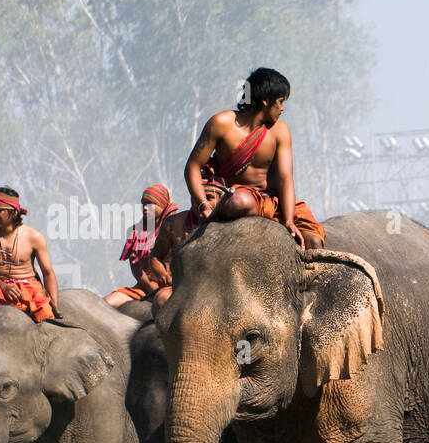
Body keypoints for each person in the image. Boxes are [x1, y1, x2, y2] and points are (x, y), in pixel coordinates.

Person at [183, 66, 324, 248]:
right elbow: (193, 167)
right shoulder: (221, 123)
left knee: (313, 240)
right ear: (265, 101)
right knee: (241, 201)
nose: (282, 108)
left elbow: (285, 179)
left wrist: (289, 220)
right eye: (280, 102)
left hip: (272, 202)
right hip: (235, 198)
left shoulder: (280, 131)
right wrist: (203, 204)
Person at [0, 187, 59, 322]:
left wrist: (55, 307)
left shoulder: (34, 237)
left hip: (29, 289)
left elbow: (48, 274)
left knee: (46, 318)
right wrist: (4, 286)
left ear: (13, 212)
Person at [148, 177, 227, 310]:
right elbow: (155, 256)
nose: (202, 203)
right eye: (197, 197)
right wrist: (163, 274)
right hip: (182, 287)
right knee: (162, 300)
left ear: (220, 200)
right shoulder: (172, 223)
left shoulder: (230, 223)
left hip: (220, 287)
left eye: (209, 197)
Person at [105, 183, 176, 306]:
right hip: (144, 288)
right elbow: (136, 269)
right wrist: (150, 288)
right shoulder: (135, 232)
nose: (145, 207)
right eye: (143, 203)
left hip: (172, 286)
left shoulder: (176, 227)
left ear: (162, 204)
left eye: (150, 203)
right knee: (107, 303)